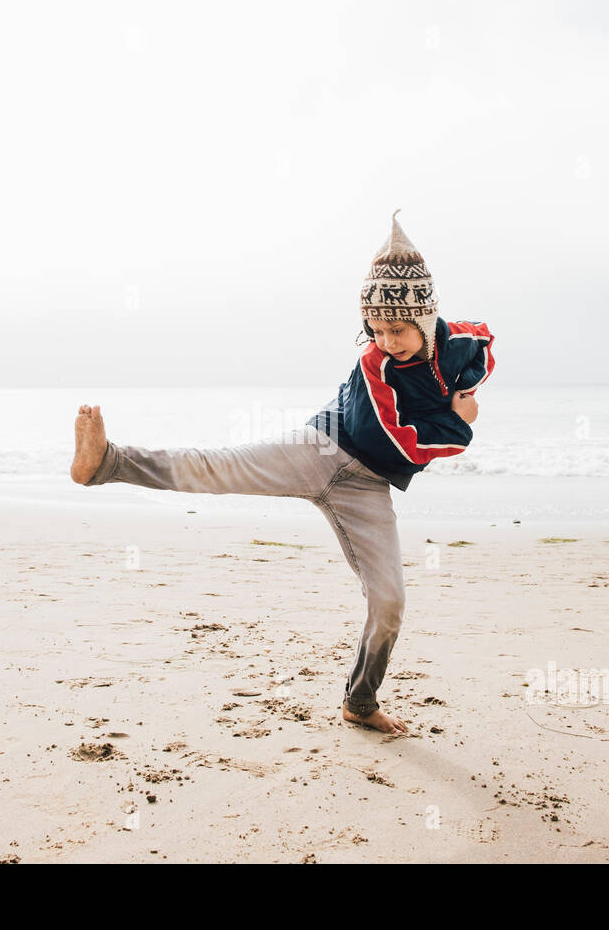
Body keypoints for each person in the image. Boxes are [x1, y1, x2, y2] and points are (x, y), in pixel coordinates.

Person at [71, 210, 495, 734]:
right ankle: (107, 462)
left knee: (388, 602)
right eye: (376, 329)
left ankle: (359, 703)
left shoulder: (460, 345)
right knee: (217, 467)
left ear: (427, 319)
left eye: (398, 329)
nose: (385, 340)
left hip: (366, 489)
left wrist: (467, 395)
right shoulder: (373, 363)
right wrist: (456, 421)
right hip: (316, 450)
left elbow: (482, 352)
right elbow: (401, 441)